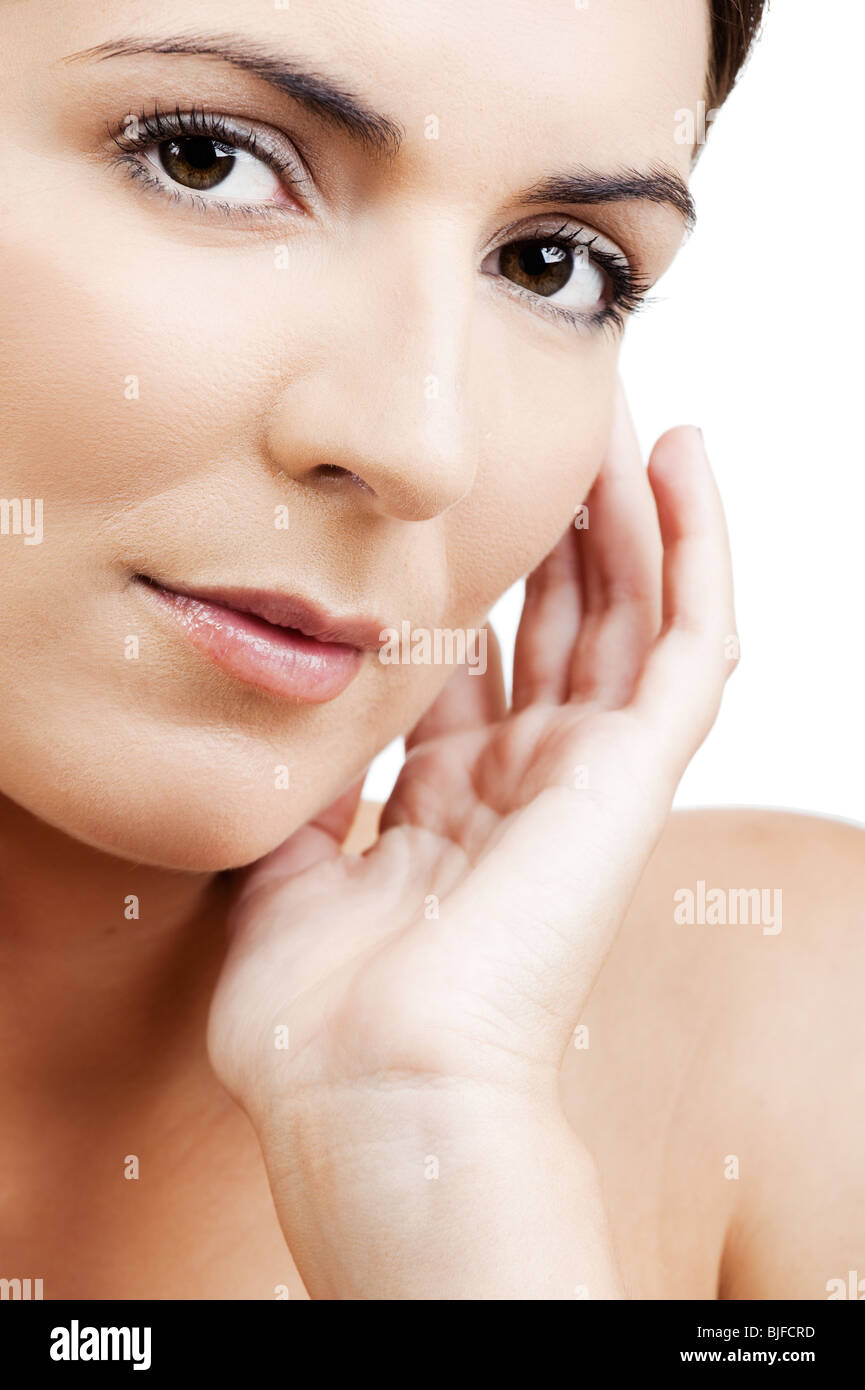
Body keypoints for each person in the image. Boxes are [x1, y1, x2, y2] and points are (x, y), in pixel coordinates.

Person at [1, 0, 860, 1301]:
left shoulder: (795, 1034)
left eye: (551, 265)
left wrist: (433, 1149)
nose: (419, 444)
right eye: (207, 157)